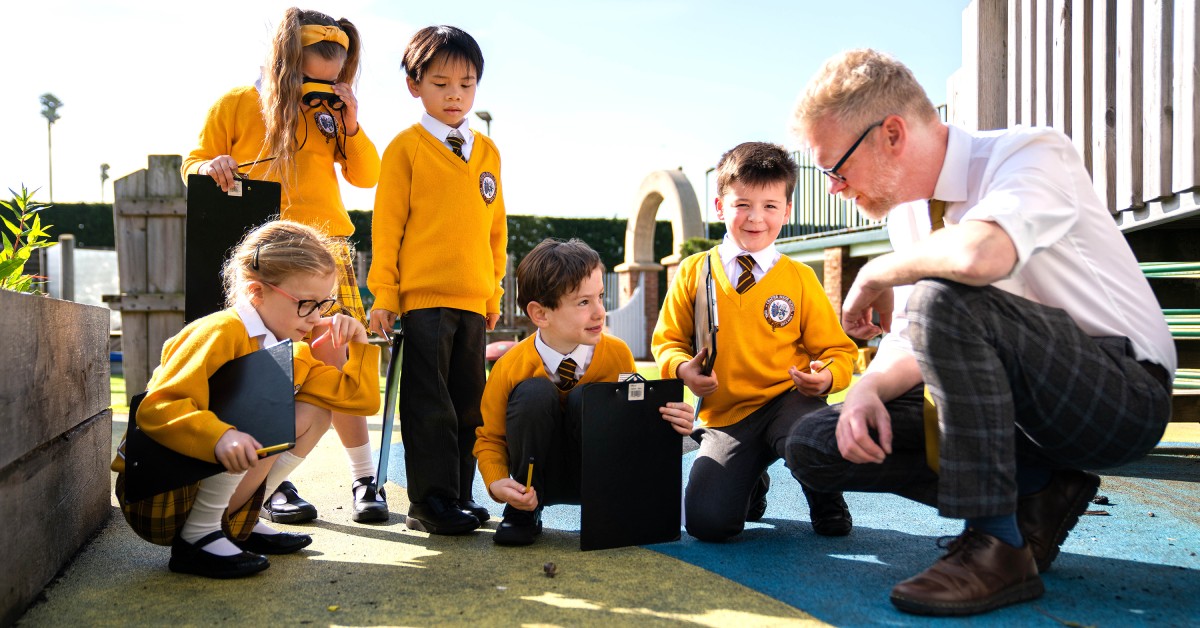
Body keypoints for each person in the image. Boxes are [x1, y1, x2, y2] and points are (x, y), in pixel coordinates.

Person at [784, 48, 1175, 616]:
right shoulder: (908, 216)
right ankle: (1038, 489)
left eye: (836, 169)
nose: (836, 188)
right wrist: (866, 391)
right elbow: (920, 336)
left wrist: (876, 271)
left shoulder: (1029, 153)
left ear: (890, 133)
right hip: (1014, 411)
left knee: (946, 295)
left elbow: (978, 259)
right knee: (816, 443)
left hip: (1118, 394)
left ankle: (995, 545)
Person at [181, 8, 387, 524]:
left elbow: (367, 175)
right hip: (269, 255)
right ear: (287, 57)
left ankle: (365, 479)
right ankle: (273, 488)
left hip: (329, 250)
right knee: (264, 370)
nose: (320, 82)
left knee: (339, 360)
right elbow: (195, 163)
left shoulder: (330, 110)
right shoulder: (237, 102)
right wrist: (211, 166)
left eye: (334, 73)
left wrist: (352, 121)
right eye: (311, 71)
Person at [110, 220, 382, 578]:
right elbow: (156, 408)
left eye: (324, 304)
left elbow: (358, 401)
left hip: (202, 491)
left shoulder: (293, 351)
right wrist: (220, 436)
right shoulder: (220, 331)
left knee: (317, 410)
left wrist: (359, 342)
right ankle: (198, 537)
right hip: (157, 497)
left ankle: (243, 519)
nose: (317, 317)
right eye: (306, 304)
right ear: (256, 292)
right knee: (260, 400)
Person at [651, 142, 860, 542]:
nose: (755, 218)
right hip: (727, 418)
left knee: (809, 435)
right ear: (719, 207)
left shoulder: (800, 278)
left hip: (789, 402)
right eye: (742, 204)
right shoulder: (694, 271)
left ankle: (825, 495)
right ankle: (752, 481)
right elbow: (667, 341)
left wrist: (826, 378)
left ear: (787, 211)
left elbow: (838, 352)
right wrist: (683, 370)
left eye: (769, 206)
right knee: (708, 524)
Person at [367, 25, 506, 535]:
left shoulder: (487, 153)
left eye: (466, 84)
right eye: (441, 83)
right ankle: (428, 502)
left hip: (473, 302)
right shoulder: (405, 149)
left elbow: (497, 231)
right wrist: (384, 293)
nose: (455, 95)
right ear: (415, 85)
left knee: (469, 405)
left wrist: (493, 290)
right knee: (430, 407)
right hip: (423, 302)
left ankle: (460, 495)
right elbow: (388, 228)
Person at [474, 238, 695, 546]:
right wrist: (497, 480)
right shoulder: (510, 366)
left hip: (599, 479)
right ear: (540, 314)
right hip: (536, 481)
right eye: (583, 302)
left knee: (588, 396)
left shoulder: (617, 354)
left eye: (601, 297)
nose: (599, 312)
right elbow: (490, 437)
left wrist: (674, 425)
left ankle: (609, 507)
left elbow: (635, 420)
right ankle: (523, 511)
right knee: (534, 394)